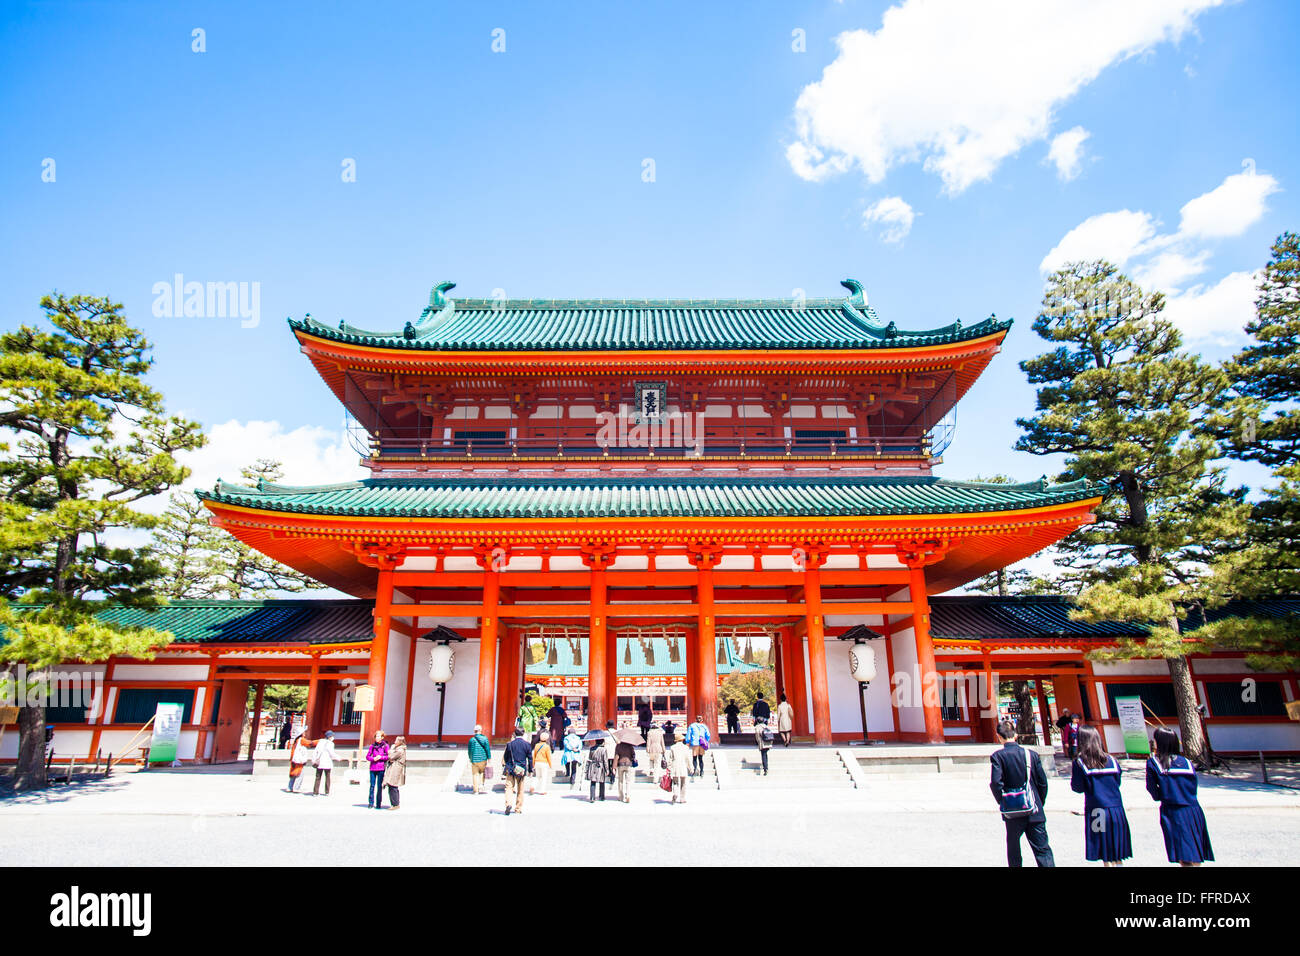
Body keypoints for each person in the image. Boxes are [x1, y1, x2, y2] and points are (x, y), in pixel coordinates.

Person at [1145, 727, 1214, 866]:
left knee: (1183, 854)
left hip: (1173, 811)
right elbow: (1193, 785)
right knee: (1195, 853)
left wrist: (1162, 796)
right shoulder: (1187, 762)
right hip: (1194, 810)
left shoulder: (1154, 762)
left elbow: (1152, 789)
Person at [989, 720, 1054, 867]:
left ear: (999, 736)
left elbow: (996, 783)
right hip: (1034, 808)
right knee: (1042, 849)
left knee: (1013, 849)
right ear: (1016, 735)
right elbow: (1042, 783)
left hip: (1013, 809)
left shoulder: (998, 756)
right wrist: (1039, 801)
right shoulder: (1031, 755)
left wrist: (1003, 801)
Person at [1071, 725, 1133, 866]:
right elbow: (1118, 781)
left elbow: (1077, 787)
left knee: (1103, 847)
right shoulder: (1112, 760)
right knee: (1117, 848)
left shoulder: (1080, 762)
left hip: (1096, 810)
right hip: (1117, 809)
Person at [502, 727, 532, 815]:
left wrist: (507, 766)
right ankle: (518, 808)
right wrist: (530, 769)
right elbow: (530, 758)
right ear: (523, 734)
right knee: (520, 789)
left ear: (515, 733)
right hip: (521, 769)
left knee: (509, 787)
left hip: (511, 768)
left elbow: (506, 757)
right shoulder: (527, 745)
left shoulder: (510, 744)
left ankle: (508, 804)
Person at [664, 733, 692, 804]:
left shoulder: (673, 747)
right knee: (683, 783)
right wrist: (691, 768)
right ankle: (682, 798)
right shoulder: (686, 748)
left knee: (675, 782)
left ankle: (675, 793)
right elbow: (688, 759)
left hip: (675, 766)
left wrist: (669, 767)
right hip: (683, 766)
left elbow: (670, 759)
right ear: (682, 739)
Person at [365, 731, 390, 809]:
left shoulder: (385, 746)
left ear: (382, 737)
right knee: (372, 785)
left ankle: (378, 803)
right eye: (376, 736)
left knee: (379, 786)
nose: (377, 738)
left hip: (381, 767)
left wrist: (381, 757)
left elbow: (388, 756)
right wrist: (373, 758)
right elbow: (367, 756)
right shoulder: (372, 746)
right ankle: (371, 802)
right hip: (373, 767)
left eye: (379, 736)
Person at [468, 724, 492, 794]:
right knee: (482, 772)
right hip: (483, 758)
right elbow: (487, 749)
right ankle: (481, 785)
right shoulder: (485, 739)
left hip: (474, 759)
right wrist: (489, 758)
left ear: (474, 731)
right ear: (480, 731)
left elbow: (469, 750)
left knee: (475, 774)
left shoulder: (471, 740)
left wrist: (470, 758)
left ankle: (475, 790)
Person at [383, 735, 407, 810]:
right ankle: (393, 803)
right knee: (391, 786)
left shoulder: (400, 750)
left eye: (396, 740)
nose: (394, 742)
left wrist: (390, 751)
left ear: (400, 742)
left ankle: (395, 804)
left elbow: (391, 757)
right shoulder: (396, 749)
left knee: (393, 786)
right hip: (393, 768)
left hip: (396, 769)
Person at [311, 731, 336, 796]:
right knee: (327, 777)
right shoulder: (330, 744)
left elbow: (315, 751)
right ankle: (327, 791)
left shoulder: (320, 742)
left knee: (318, 777)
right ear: (329, 737)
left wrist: (313, 760)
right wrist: (338, 757)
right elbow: (332, 753)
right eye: (332, 736)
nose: (333, 738)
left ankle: (315, 792)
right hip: (327, 762)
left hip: (319, 762)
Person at [585, 735, 610, 802]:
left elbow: (589, 758)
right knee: (602, 781)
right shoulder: (603, 749)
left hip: (593, 765)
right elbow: (605, 760)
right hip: (600, 766)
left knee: (593, 782)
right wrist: (607, 769)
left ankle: (592, 797)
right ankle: (601, 796)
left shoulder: (592, 749)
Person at [614, 735, 636, 802]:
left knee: (620, 781)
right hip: (628, 764)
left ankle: (621, 796)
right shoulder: (630, 746)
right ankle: (628, 796)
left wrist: (614, 767)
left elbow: (616, 757)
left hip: (620, 764)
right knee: (628, 781)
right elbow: (633, 755)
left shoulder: (618, 746)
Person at [532, 729, 554, 795]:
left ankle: (533, 785)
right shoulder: (547, 747)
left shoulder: (536, 745)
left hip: (537, 762)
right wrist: (550, 764)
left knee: (537, 776)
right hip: (544, 762)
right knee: (544, 777)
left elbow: (534, 755)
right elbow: (548, 756)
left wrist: (533, 764)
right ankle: (542, 790)